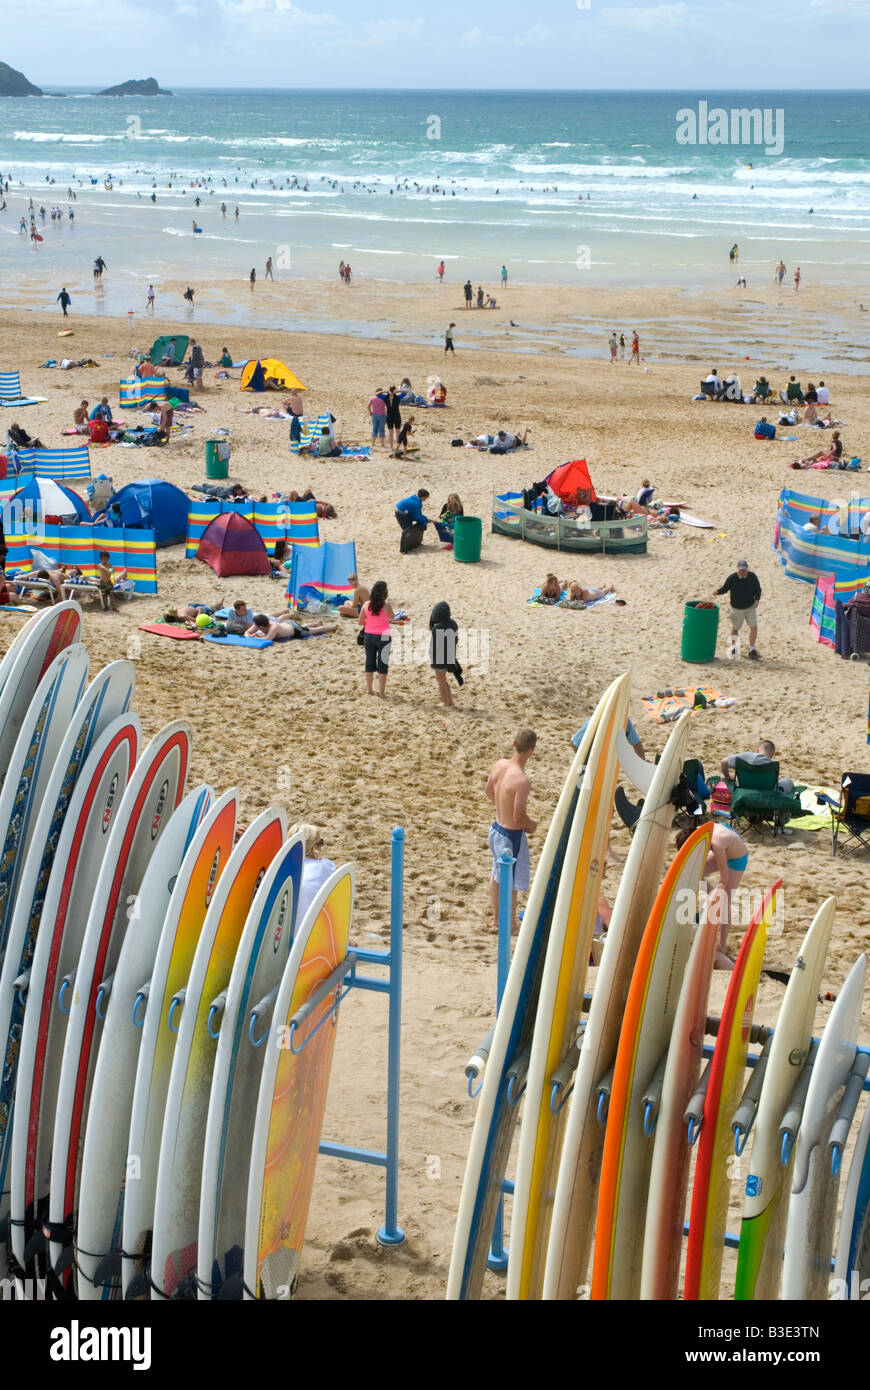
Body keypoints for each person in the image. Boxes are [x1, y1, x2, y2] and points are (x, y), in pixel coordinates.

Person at [676, 819, 749, 970]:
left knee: (726, 900)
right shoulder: (698, 831)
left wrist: (718, 896)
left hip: (737, 856)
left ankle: (722, 945)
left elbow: (724, 878)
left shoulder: (716, 844)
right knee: (695, 872)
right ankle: (710, 898)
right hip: (727, 840)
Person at [486, 730, 538, 935]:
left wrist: (502, 808)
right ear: (531, 750)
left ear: (514, 743)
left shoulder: (499, 765)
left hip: (496, 828)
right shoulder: (522, 780)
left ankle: (497, 919)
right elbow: (518, 816)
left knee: (496, 875)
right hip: (511, 835)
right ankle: (511, 925)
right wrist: (531, 825)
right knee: (512, 882)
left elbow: (489, 791)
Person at [287, 822, 336, 923]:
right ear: (313, 847)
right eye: (320, 842)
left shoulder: (282, 869)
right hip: (312, 932)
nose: (322, 846)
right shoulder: (324, 867)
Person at [713, 558, 762, 660]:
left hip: (750, 607)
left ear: (747, 569)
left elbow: (758, 589)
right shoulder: (732, 578)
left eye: (744, 569)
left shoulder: (752, 576)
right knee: (735, 628)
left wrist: (757, 599)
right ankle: (733, 647)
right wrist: (717, 592)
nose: (743, 572)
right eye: (741, 570)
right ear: (737, 569)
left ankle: (752, 649)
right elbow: (725, 588)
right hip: (736, 609)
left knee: (754, 627)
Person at [358, 579, 396, 696]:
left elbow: (360, 622)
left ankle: (369, 690)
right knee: (382, 664)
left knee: (369, 661)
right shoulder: (386, 606)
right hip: (384, 636)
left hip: (369, 635)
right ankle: (382, 692)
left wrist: (369, 621)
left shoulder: (366, 605)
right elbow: (392, 617)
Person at [720, 739, 795, 795]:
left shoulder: (745, 756)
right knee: (788, 781)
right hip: (767, 793)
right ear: (772, 754)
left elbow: (724, 762)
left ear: (757, 750)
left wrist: (728, 777)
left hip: (744, 788)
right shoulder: (771, 765)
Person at [429, 600, 463, 708]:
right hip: (449, 656)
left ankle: (446, 703)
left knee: (441, 681)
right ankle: (450, 702)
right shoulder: (453, 624)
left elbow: (434, 645)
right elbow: (456, 640)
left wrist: (433, 658)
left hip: (439, 658)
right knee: (443, 680)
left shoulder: (437, 627)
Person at [247, 613, 336, 640]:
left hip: (295, 630)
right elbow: (247, 632)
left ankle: (333, 627)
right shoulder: (260, 624)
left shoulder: (273, 627)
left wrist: (254, 638)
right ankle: (316, 622)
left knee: (313, 631)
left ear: (261, 626)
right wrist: (249, 636)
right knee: (303, 627)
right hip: (288, 624)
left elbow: (267, 639)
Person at [385, 386, 402, 453]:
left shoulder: (385, 397)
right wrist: (398, 391)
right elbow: (406, 392)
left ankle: (392, 448)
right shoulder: (398, 397)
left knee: (392, 433)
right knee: (396, 433)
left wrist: (385, 392)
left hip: (390, 416)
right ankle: (394, 447)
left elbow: (377, 394)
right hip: (396, 416)